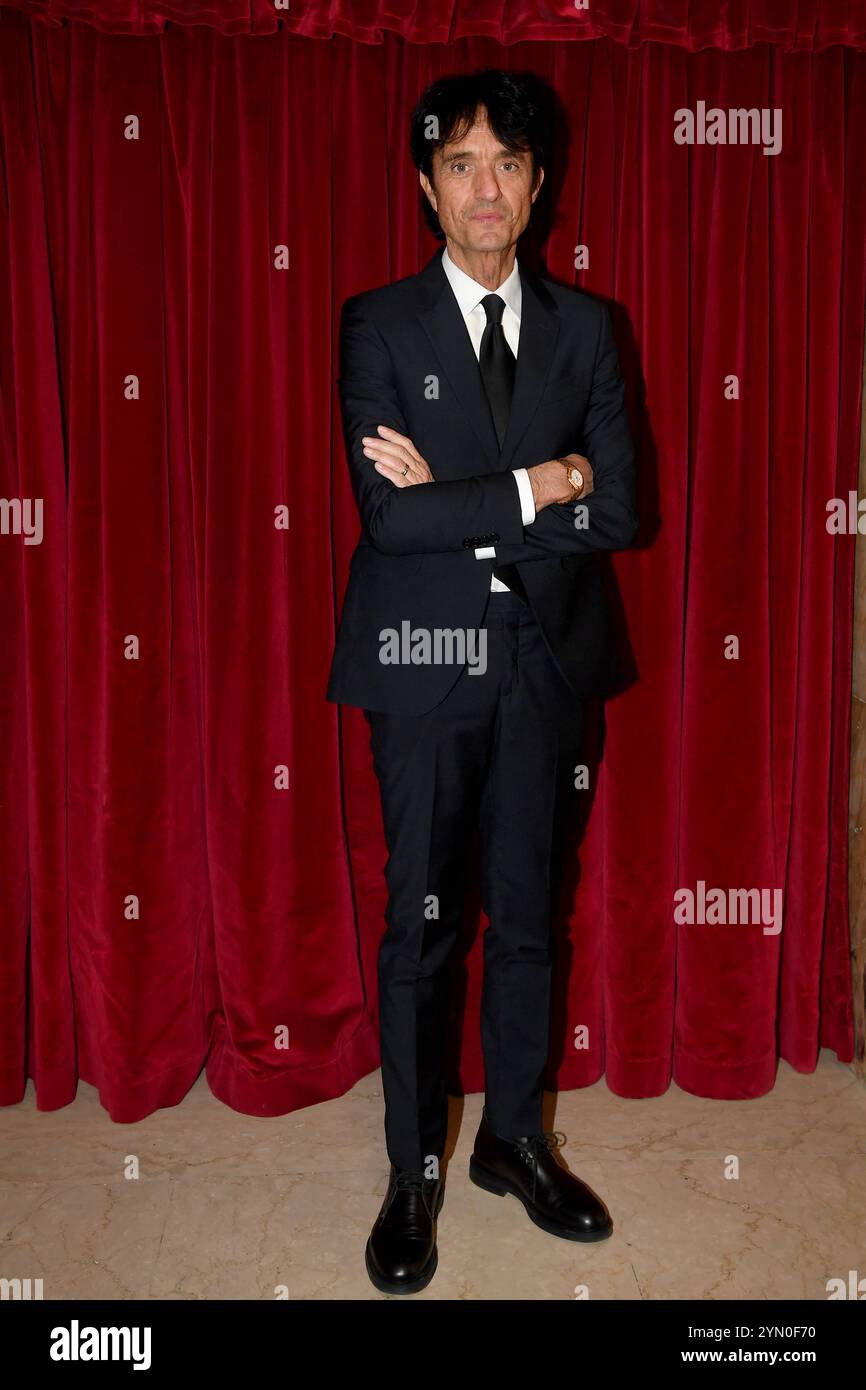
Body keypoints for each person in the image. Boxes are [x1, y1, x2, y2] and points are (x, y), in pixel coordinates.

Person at [327, 67, 637, 1295]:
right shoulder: (377, 324)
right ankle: (414, 1173)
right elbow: (385, 524)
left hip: (548, 667)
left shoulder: (586, 328)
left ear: (538, 181)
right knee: (421, 924)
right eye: (460, 163)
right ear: (425, 186)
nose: (486, 186)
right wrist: (534, 486)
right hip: (422, 659)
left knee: (527, 916)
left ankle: (512, 1138)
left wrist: (473, 503)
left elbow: (618, 509)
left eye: (507, 161)